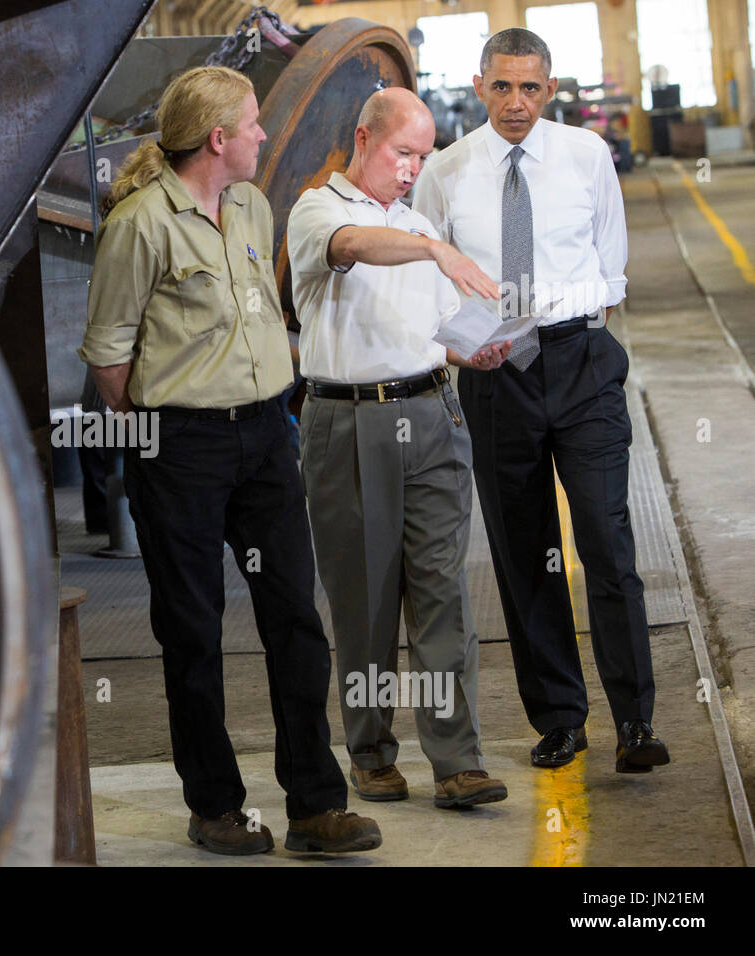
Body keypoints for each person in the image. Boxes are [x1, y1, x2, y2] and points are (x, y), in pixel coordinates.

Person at [78, 65, 381, 855]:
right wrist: (170, 421)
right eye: (252, 125)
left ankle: (316, 807)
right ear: (217, 139)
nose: (263, 134)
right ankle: (215, 807)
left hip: (265, 438)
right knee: (193, 630)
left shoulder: (250, 204)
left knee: (295, 620)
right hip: (180, 446)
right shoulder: (141, 224)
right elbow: (110, 361)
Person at [414, 29, 669, 774]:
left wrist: (573, 330)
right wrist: (468, 346)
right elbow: (432, 277)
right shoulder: (447, 171)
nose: (516, 103)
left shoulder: (587, 156)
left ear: (550, 88)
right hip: (498, 374)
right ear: (479, 84)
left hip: (581, 362)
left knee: (606, 541)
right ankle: (560, 718)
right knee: (527, 554)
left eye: (530, 88)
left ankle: (635, 721)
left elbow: (610, 265)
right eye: (502, 87)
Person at [288, 87, 510, 810]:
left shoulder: (414, 225)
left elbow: (443, 326)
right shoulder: (321, 210)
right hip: (349, 426)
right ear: (364, 138)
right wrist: (436, 248)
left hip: (431, 412)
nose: (414, 168)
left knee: (444, 592)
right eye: (402, 153)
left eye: (423, 156)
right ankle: (371, 751)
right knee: (365, 599)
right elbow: (354, 250)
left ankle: (458, 760)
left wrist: (478, 349)